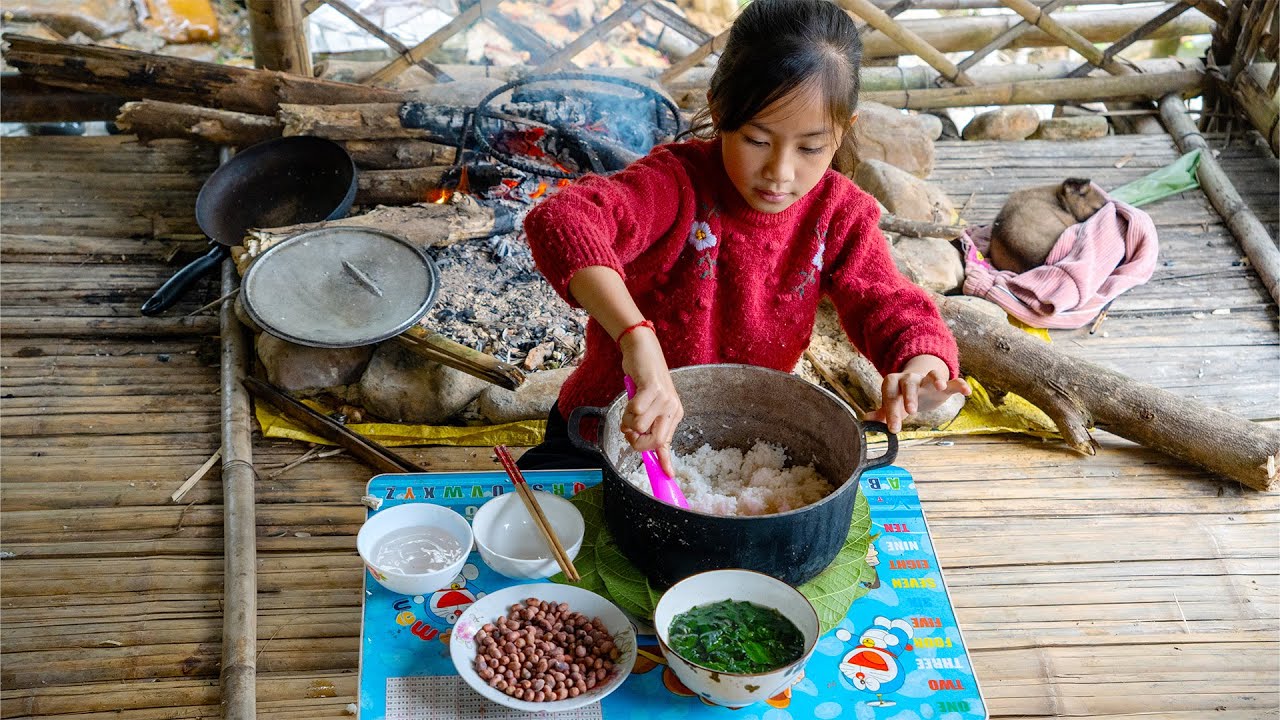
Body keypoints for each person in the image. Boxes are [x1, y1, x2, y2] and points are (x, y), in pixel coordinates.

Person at [518, 0, 970, 474]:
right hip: (603, 432)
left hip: (733, 457)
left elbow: (888, 302)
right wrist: (635, 338)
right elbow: (564, 220)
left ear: (844, 131)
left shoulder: (838, 213)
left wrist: (920, 363)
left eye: (811, 147)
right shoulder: (677, 184)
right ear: (719, 109)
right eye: (757, 140)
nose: (780, 172)